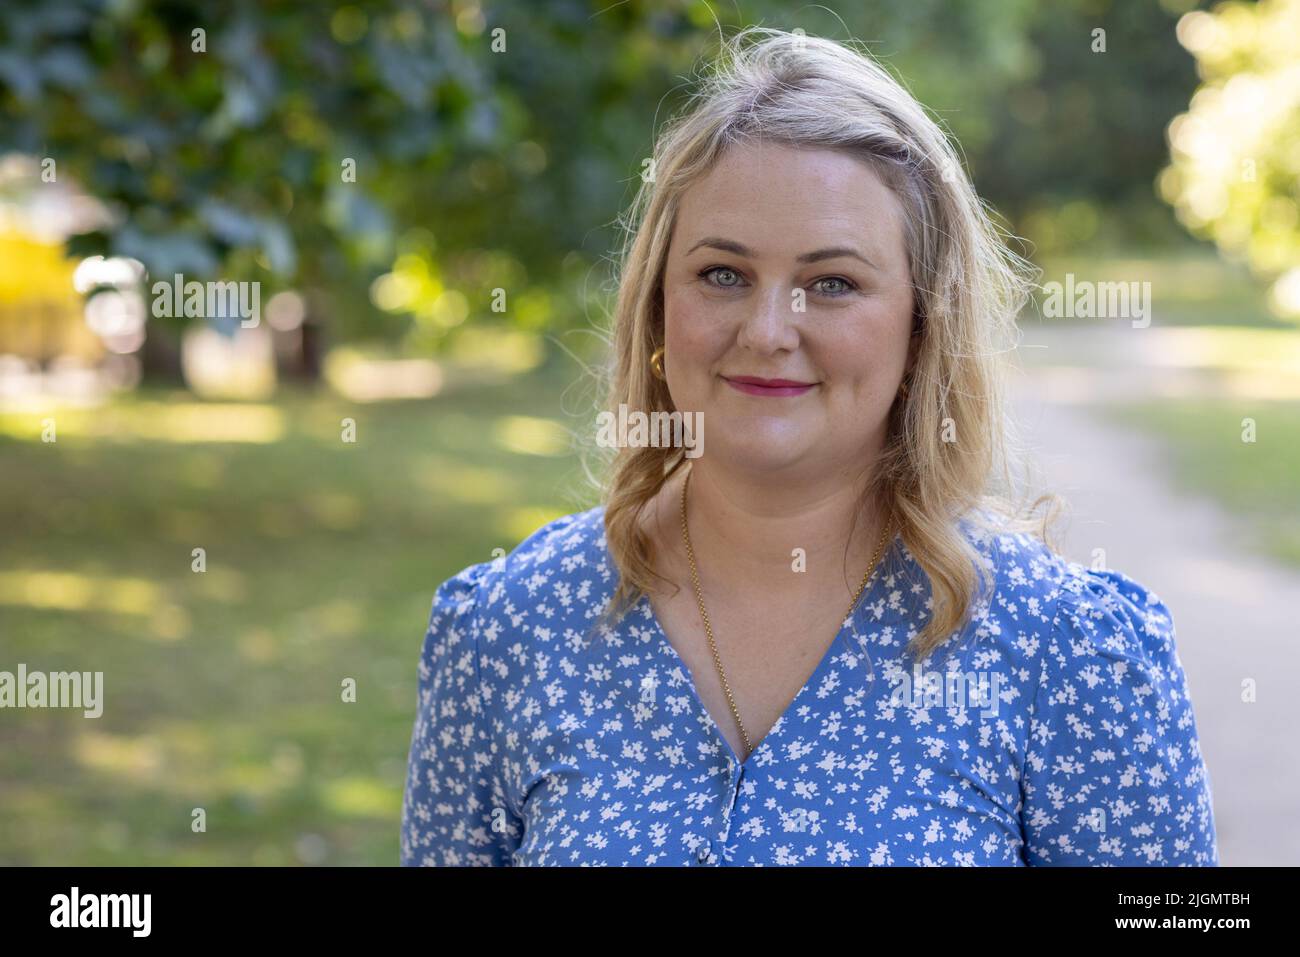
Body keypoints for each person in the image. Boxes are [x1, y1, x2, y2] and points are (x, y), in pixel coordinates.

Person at [400, 26, 1218, 866]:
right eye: (723, 274)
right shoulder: (507, 629)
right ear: (656, 307)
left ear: (921, 326)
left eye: (832, 284)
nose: (766, 330)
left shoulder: (1072, 656)